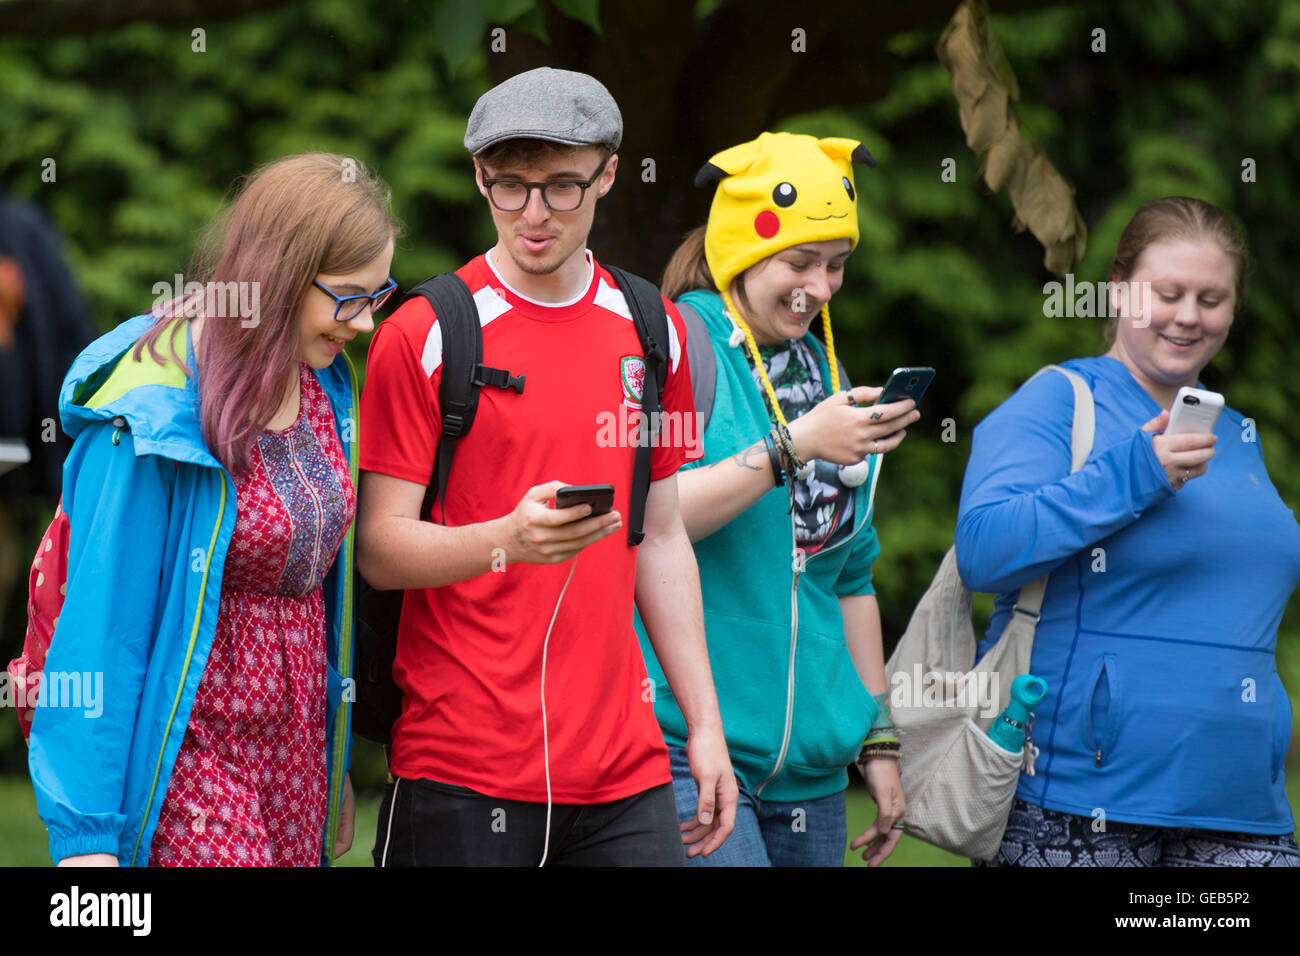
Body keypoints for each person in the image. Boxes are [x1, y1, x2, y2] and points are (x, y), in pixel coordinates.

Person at [357, 67, 736, 867]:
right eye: (509, 187)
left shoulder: (653, 329)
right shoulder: (425, 331)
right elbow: (380, 551)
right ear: (478, 177)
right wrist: (508, 538)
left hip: (625, 774)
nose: (533, 214)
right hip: (460, 769)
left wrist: (704, 724)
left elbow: (662, 536)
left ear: (608, 174)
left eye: (562, 187)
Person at [27, 152, 398, 866]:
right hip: (189, 749)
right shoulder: (158, 403)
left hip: (294, 757)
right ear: (283, 273)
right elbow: (103, 624)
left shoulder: (322, 383)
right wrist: (85, 839)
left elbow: (319, 595)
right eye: (349, 296)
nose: (364, 321)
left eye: (376, 295)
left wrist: (334, 757)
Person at [957, 196, 1300, 867]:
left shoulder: (1238, 433)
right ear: (1117, 292)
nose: (1188, 316)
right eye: (1167, 293)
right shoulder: (1060, 399)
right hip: (1076, 803)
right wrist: (1135, 473)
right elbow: (985, 550)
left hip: (1241, 803)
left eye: (1211, 298)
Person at [636, 131, 919, 866]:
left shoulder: (824, 371)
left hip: (815, 775)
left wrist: (877, 738)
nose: (820, 287)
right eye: (799, 262)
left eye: (836, 266)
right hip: (682, 743)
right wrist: (793, 446)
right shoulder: (675, 345)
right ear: (741, 249)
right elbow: (646, 519)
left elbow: (850, 578)